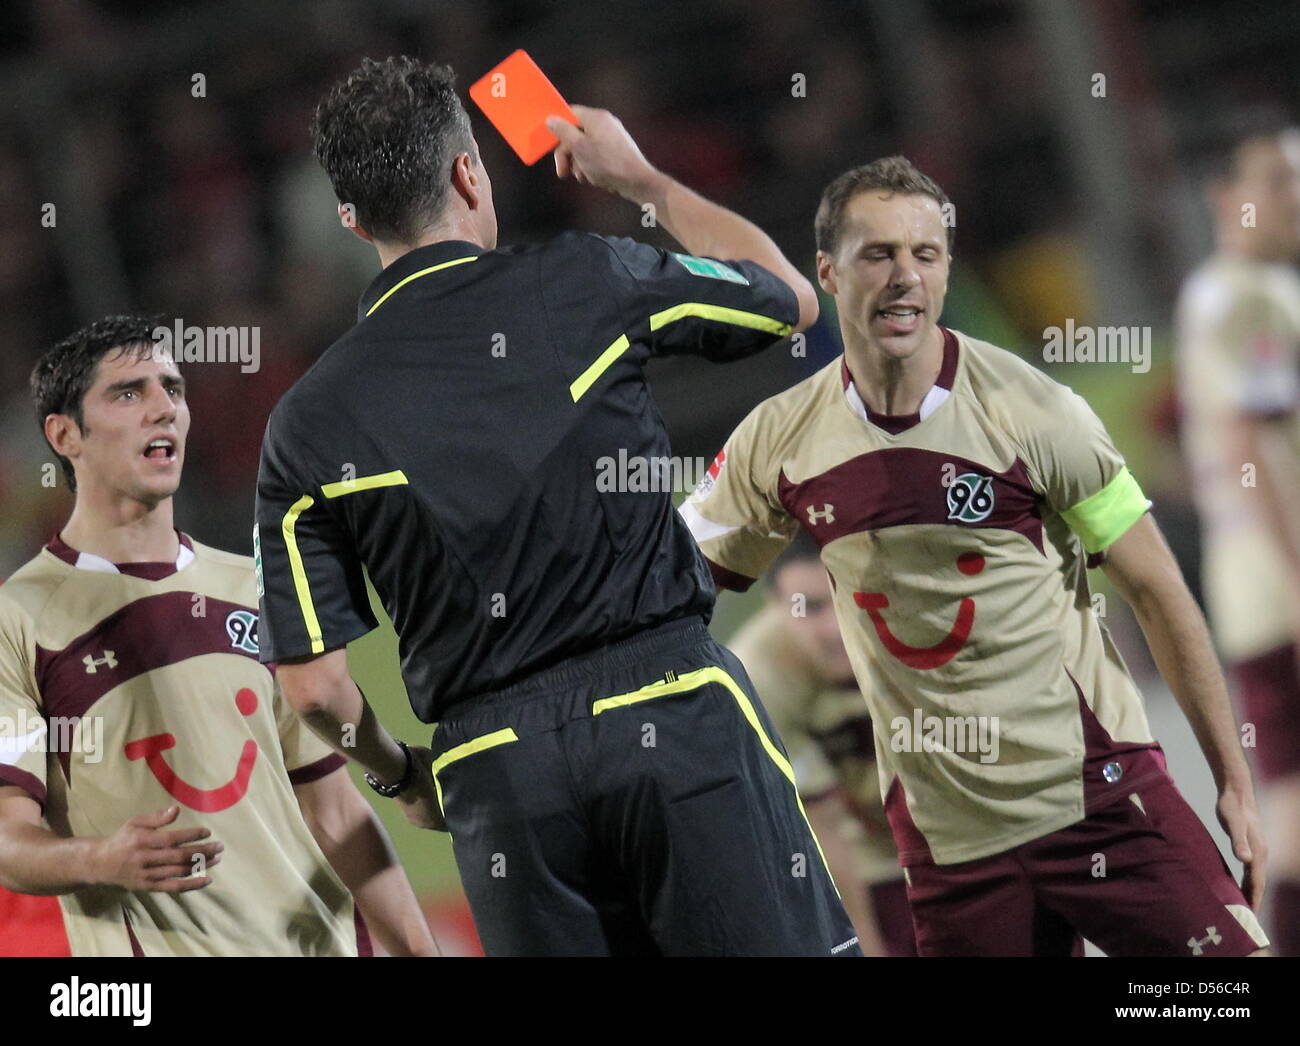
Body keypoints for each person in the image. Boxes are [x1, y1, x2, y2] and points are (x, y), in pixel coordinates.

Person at [252, 56, 857, 957]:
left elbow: (313, 686)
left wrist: (402, 776)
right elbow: (791, 300)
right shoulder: (587, 279)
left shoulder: (303, 425)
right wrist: (638, 178)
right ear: (468, 173)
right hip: (677, 713)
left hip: (496, 779)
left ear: (351, 219)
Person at [681, 155, 1271, 956]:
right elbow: (670, 581)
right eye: (878, 254)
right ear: (826, 270)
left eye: (925, 255)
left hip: (1101, 801)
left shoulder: (1036, 411)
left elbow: (1157, 589)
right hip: (950, 854)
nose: (905, 277)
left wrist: (1231, 778)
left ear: (947, 268)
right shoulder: (778, 439)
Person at [0, 316, 436, 957]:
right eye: (129, 393)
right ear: (65, 434)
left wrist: (421, 952)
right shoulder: (20, 617)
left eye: (172, 389)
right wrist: (102, 858)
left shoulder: (253, 588)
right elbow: (10, 844)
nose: (163, 410)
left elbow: (336, 811)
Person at [1176, 123, 1300, 956]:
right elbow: (1251, 447)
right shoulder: (1238, 296)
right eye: (1276, 182)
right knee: (1291, 811)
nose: (1293, 199)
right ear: (1224, 197)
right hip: (1277, 586)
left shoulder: (1259, 290)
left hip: (1262, 584)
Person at [728, 533, 915, 956]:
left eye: (847, 599)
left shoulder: (925, 629)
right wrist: (862, 945)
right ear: (775, 606)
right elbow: (822, 827)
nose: (835, 627)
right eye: (810, 608)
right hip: (861, 860)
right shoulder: (759, 676)